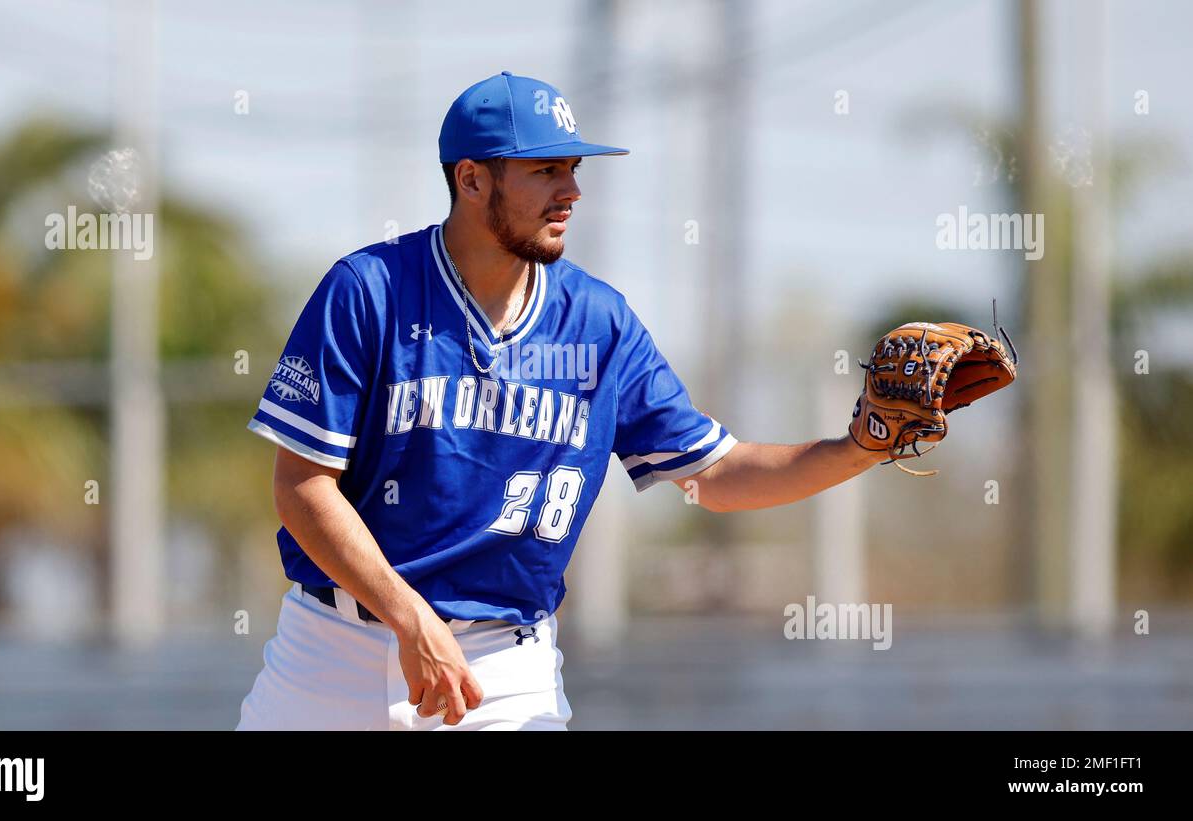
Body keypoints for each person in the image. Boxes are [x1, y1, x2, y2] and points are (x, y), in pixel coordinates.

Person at [236, 71, 884, 731]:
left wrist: (862, 447)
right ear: (471, 179)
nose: (572, 191)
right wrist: (411, 618)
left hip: (501, 672)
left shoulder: (598, 323)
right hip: (330, 655)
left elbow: (712, 475)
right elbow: (302, 485)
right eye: (546, 170)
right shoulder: (369, 291)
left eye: (573, 169)